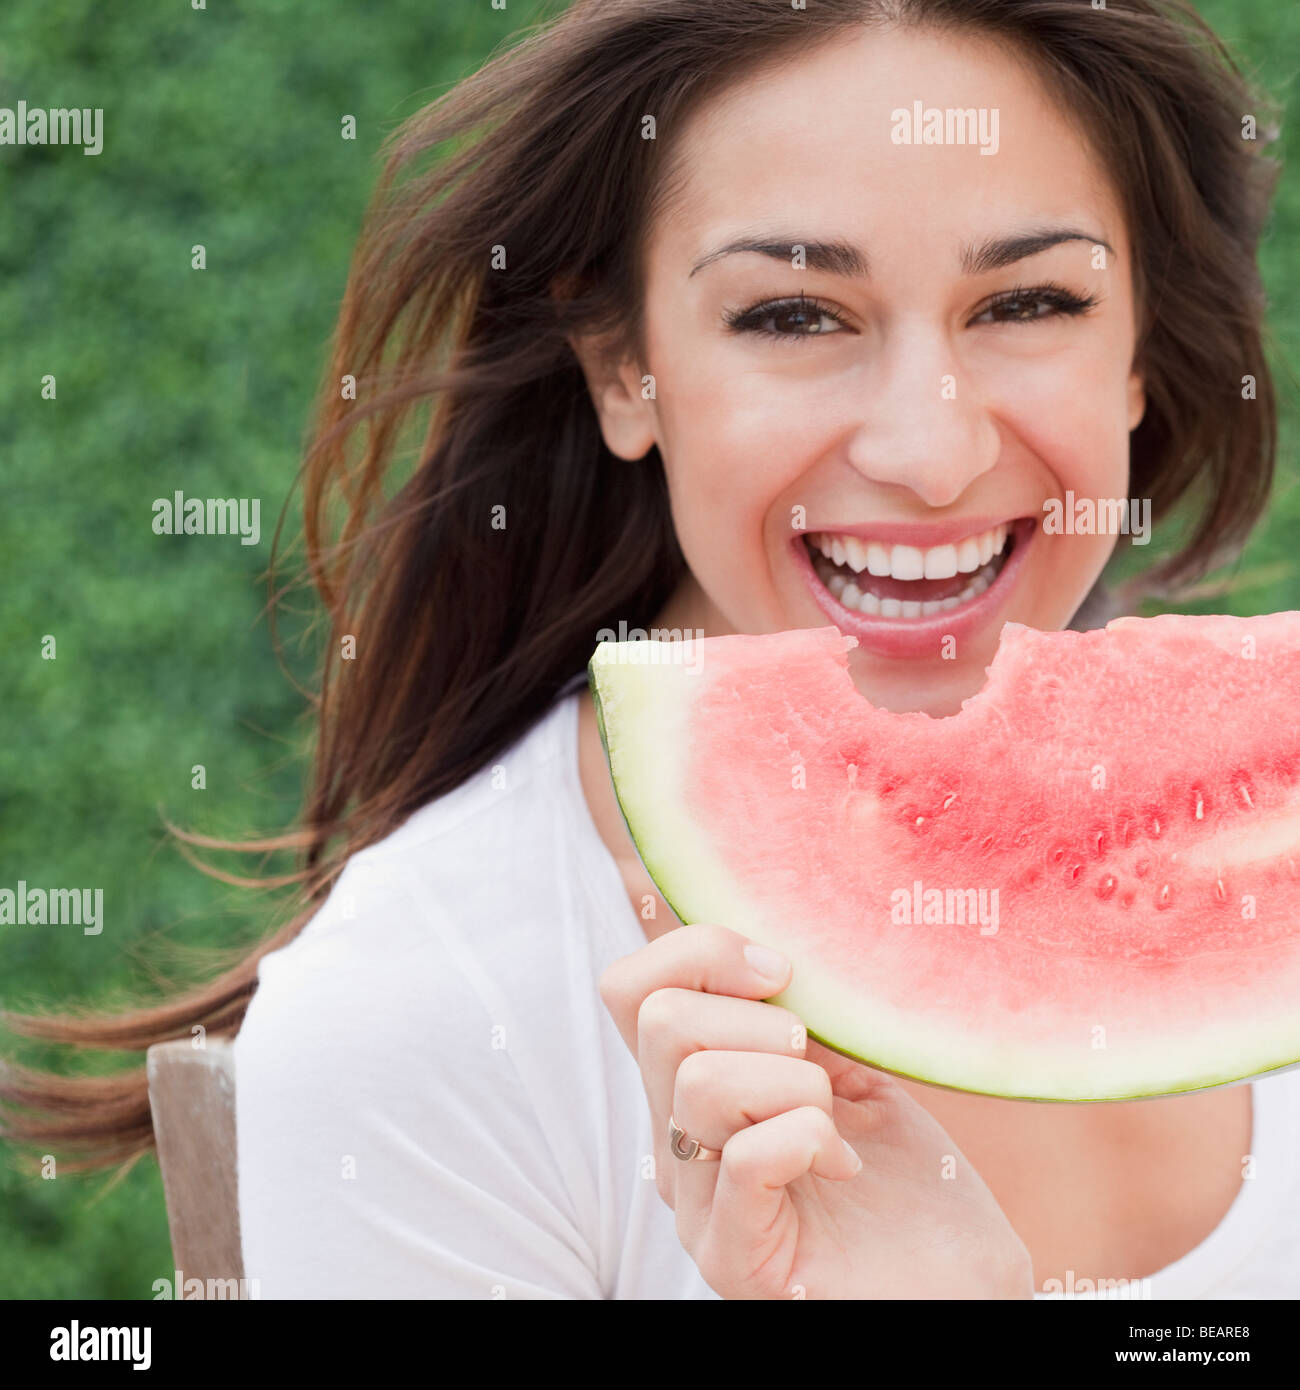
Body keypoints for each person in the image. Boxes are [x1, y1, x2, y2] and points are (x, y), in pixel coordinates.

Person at [4, 0, 1293, 1299]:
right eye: (794, 316)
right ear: (626, 367)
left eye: (1028, 300)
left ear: (1136, 351)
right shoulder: (417, 1025)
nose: (930, 448)